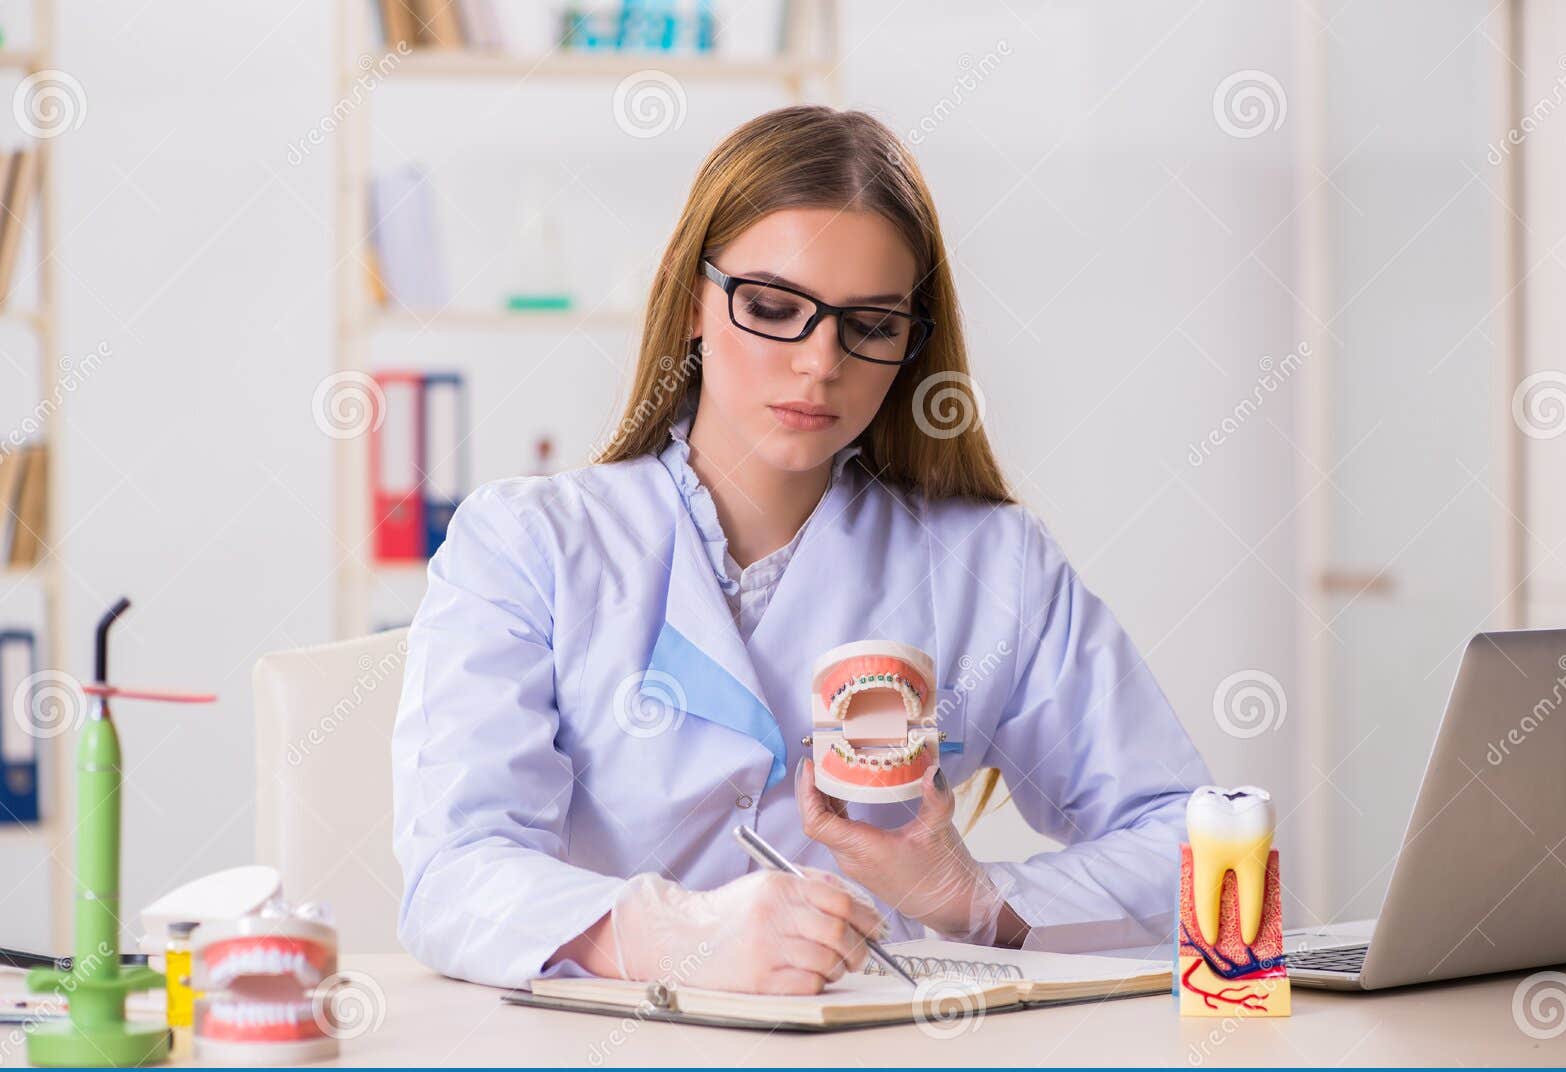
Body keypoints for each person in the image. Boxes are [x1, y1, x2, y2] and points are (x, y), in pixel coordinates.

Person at [392, 105, 1211, 993]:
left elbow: (1198, 851)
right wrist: (675, 937)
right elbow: (455, 872)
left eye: (871, 325)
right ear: (691, 303)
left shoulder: (990, 562)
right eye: (775, 307)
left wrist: (974, 898)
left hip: (885, 1066)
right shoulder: (527, 545)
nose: (822, 363)